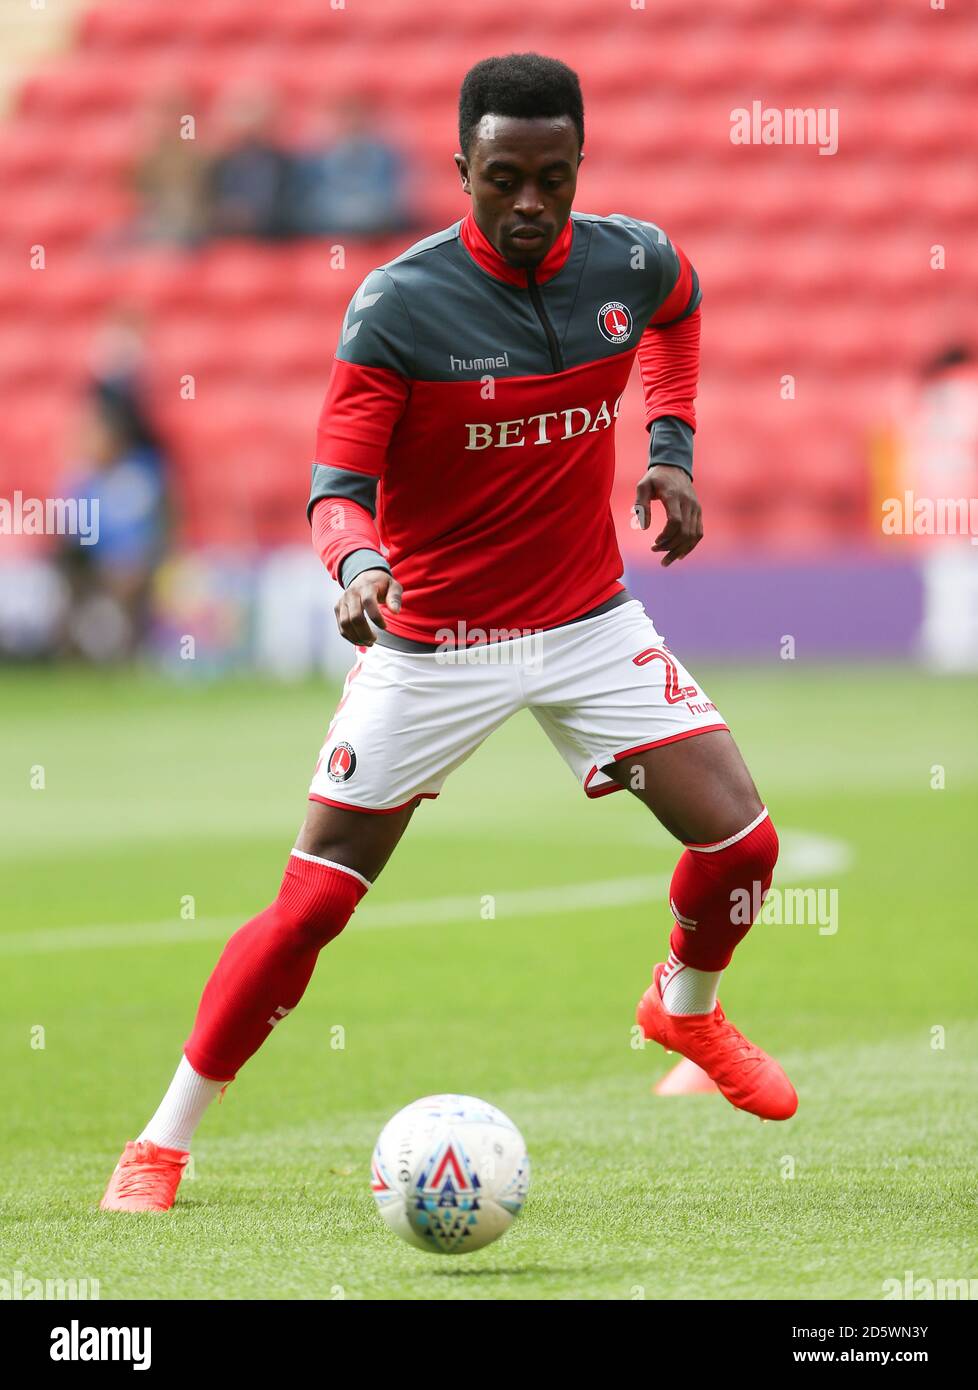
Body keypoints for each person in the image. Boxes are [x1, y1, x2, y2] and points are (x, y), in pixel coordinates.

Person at [101, 53, 795, 1214]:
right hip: (433, 645)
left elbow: (679, 311)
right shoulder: (399, 304)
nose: (531, 203)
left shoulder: (630, 259)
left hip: (585, 621)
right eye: (505, 178)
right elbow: (336, 487)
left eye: (554, 178)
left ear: (580, 168)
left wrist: (669, 452)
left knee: (747, 846)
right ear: (460, 167)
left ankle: (682, 1010)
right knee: (313, 904)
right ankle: (161, 1142)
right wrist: (357, 560)